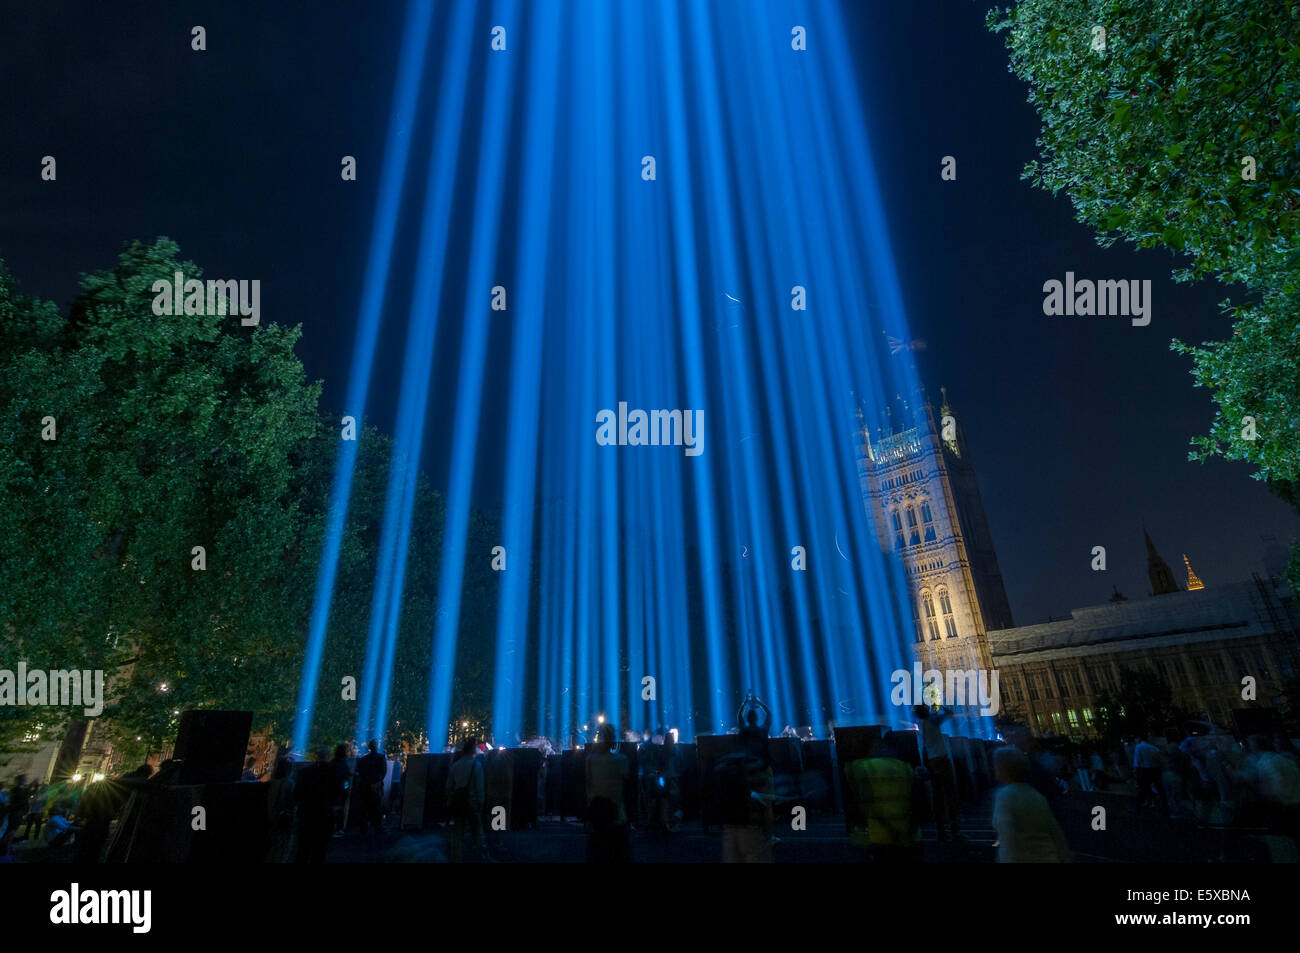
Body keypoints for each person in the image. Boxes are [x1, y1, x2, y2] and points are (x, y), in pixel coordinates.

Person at [845, 735, 920, 862]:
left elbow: (862, 802)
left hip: (879, 836)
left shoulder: (862, 767)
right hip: (907, 837)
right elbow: (916, 803)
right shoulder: (906, 768)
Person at [991, 747, 1070, 862]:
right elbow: (1056, 833)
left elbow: (1008, 839)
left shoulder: (1005, 796)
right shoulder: (1036, 795)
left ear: (1003, 769)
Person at [914, 705, 962, 841]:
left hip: (931, 761)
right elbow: (949, 713)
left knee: (937, 797)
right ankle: (955, 829)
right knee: (950, 795)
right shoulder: (932, 721)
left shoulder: (921, 723)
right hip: (942, 760)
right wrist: (940, 705)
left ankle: (940, 830)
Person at [585, 724, 630, 862]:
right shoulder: (621, 759)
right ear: (613, 740)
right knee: (618, 852)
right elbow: (626, 784)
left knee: (597, 852)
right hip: (616, 811)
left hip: (596, 810)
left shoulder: (590, 759)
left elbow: (588, 784)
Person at [293, 748, 342, 863]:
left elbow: (297, 794)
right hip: (324, 816)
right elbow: (338, 792)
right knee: (320, 851)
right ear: (328, 756)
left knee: (303, 850)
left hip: (306, 815)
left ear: (316, 756)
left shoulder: (304, 773)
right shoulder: (333, 772)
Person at [446, 737, 487, 862]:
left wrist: (450, 801)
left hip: (458, 803)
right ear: (473, 750)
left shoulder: (455, 766)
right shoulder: (477, 765)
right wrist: (481, 802)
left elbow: (448, 787)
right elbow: (479, 787)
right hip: (472, 803)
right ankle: (482, 857)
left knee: (458, 833)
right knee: (477, 832)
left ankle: (456, 858)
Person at [356, 739, 387, 840]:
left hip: (365, 787)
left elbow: (360, 773)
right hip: (375, 787)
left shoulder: (363, 759)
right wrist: (376, 783)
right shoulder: (381, 758)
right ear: (376, 746)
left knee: (365, 810)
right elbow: (383, 772)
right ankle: (377, 830)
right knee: (376, 809)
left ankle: (364, 831)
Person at [1132, 734, 1165, 815]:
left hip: (1144, 770)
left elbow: (1137, 761)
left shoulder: (1139, 747)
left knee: (1141, 790)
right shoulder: (1154, 748)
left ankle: (1137, 810)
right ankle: (1165, 808)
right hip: (1155, 770)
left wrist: (1136, 771)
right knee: (1160, 789)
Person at [330, 743, 354, 836]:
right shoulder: (343, 762)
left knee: (335, 808)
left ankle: (333, 828)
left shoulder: (333, 762)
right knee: (340, 808)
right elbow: (347, 773)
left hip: (335, 788)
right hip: (340, 789)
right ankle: (338, 829)